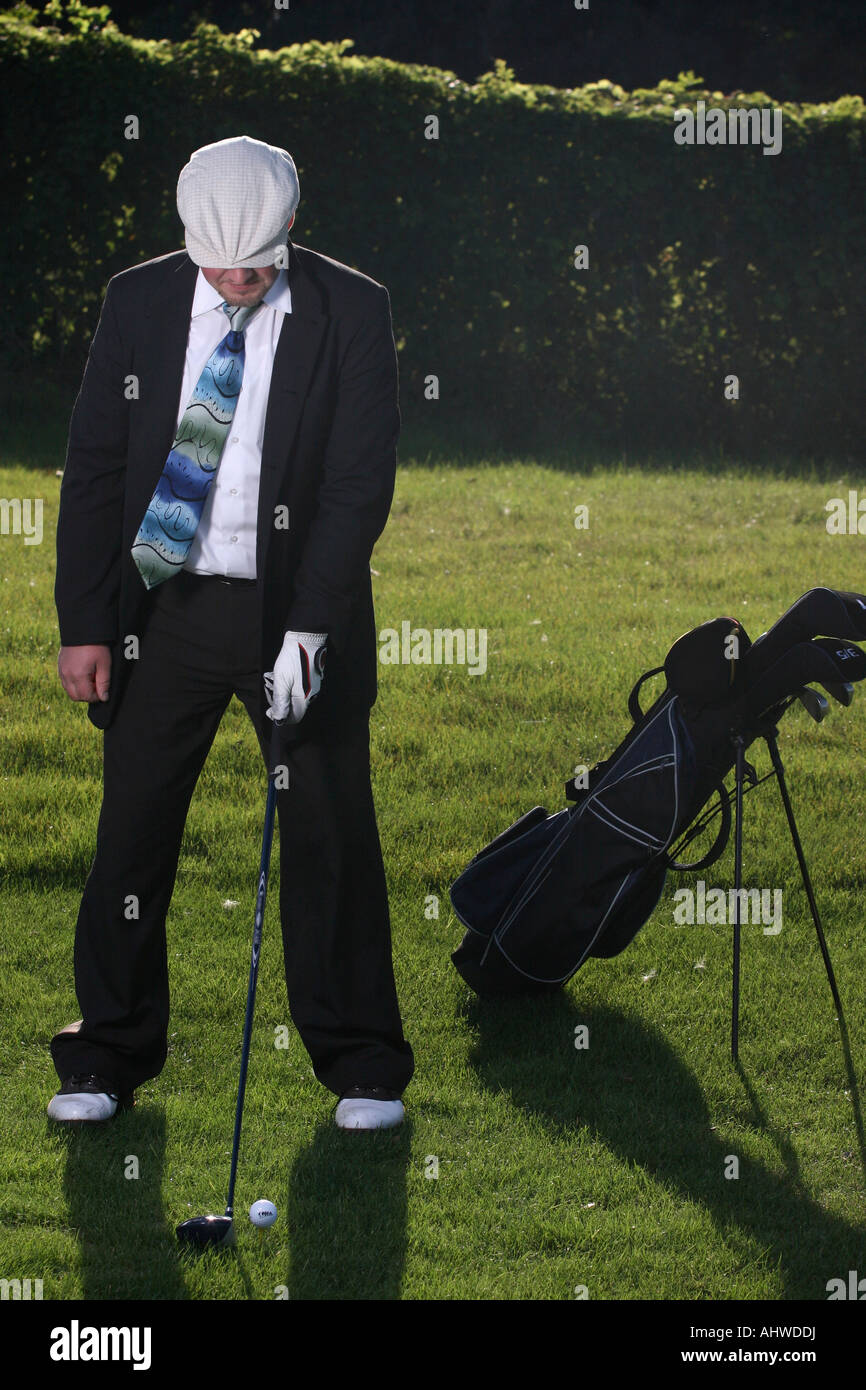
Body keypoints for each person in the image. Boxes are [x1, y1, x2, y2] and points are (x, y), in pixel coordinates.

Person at [48, 134, 413, 1130]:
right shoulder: (139, 301)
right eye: (218, 264)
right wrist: (85, 623)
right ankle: (105, 1057)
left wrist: (310, 630)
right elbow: (93, 466)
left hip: (295, 609)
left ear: (289, 226)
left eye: (252, 262)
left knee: (329, 835)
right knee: (130, 835)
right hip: (161, 610)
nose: (236, 279)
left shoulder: (351, 309)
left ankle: (362, 1067)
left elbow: (353, 489)